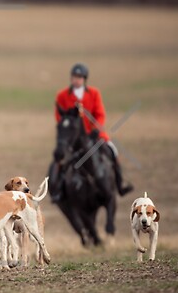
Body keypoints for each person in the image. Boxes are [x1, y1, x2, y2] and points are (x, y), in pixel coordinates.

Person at [54, 62, 134, 196]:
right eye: (74, 76)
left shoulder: (94, 93)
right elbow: (61, 118)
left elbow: (100, 114)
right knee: (61, 157)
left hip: (94, 134)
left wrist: (96, 129)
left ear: (84, 79)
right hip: (73, 138)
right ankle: (59, 188)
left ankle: (120, 184)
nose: (76, 80)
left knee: (112, 151)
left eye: (79, 77)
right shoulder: (62, 95)